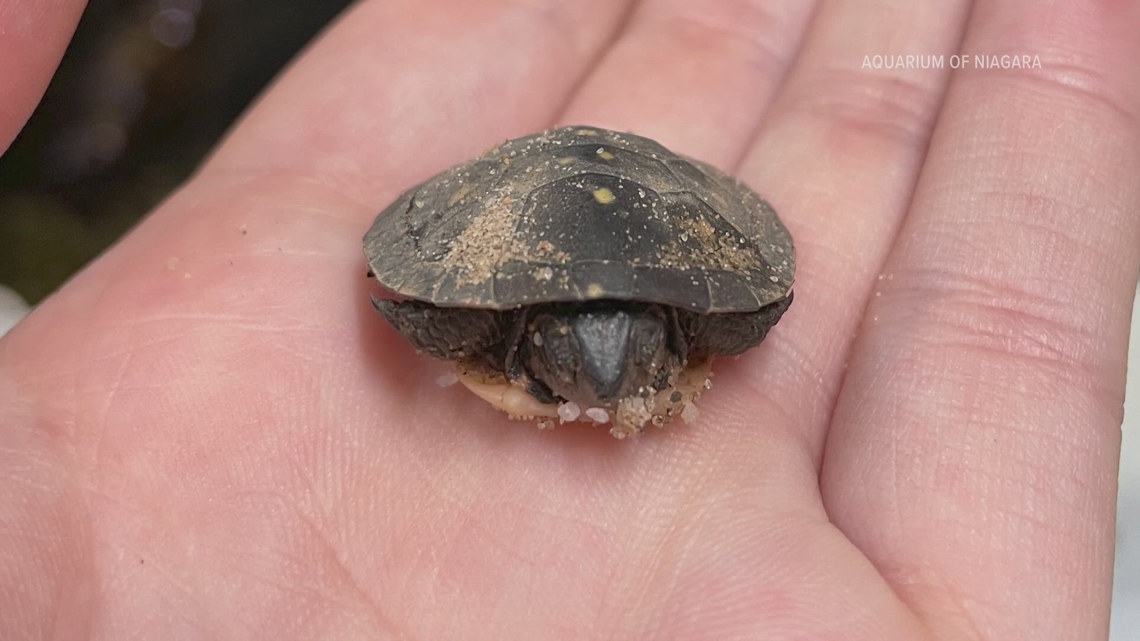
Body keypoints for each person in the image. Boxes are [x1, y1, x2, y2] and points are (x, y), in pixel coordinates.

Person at [2, 1, 1136, 638]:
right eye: (574, 350)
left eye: (624, 350)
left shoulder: (718, 320)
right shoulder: (459, 309)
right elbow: (411, 289)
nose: (597, 374)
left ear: (672, 337)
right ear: (519, 337)